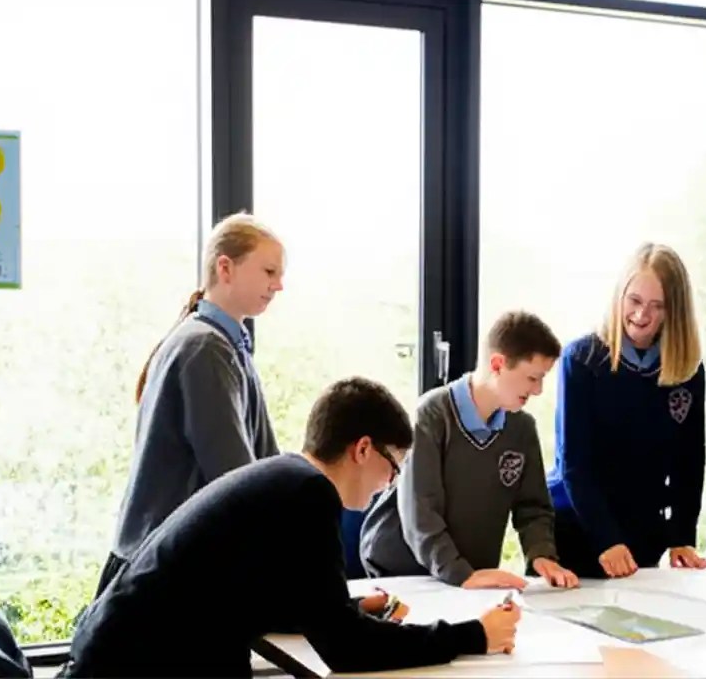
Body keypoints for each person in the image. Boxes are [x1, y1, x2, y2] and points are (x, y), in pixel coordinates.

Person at [65, 377, 520, 677]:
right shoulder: (309, 495)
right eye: (392, 468)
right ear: (363, 449)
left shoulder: (283, 477)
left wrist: (349, 608)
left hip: (115, 657)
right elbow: (346, 651)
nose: (389, 486)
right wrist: (473, 635)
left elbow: (253, 600)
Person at [95, 211, 284, 597]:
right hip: (162, 577)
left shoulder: (215, 342)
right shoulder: (206, 348)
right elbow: (234, 478)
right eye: (268, 272)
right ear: (225, 268)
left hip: (160, 565)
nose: (278, 285)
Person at [360, 310, 579, 589]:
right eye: (532, 378)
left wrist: (541, 554)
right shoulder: (431, 415)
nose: (538, 390)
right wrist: (461, 574)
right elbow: (420, 513)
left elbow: (532, 507)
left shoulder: (522, 428)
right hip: (405, 572)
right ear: (498, 364)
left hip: (466, 575)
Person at [547, 243, 706, 579]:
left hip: (643, 533)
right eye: (634, 301)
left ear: (674, 311)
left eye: (657, 306)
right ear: (620, 296)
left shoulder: (687, 370)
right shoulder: (582, 359)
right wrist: (606, 539)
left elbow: (689, 462)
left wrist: (681, 537)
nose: (641, 316)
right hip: (577, 528)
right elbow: (574, 465)